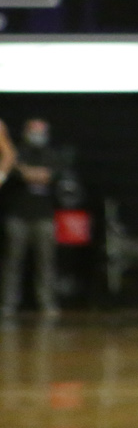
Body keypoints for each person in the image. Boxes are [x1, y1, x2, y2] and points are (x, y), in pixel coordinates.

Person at [2, 118, 60, 317]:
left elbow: (51, 175)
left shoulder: (51, 155)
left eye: (41, 131)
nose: (37, 135)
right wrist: (26, 173)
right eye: (33, 130)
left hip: (43, 217)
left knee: (46, 263)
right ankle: (8, 304)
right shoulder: (14, 153)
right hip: (17, 216)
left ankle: (47, 303)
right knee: (12, 262)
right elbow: (14, 173)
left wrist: (28, 172)